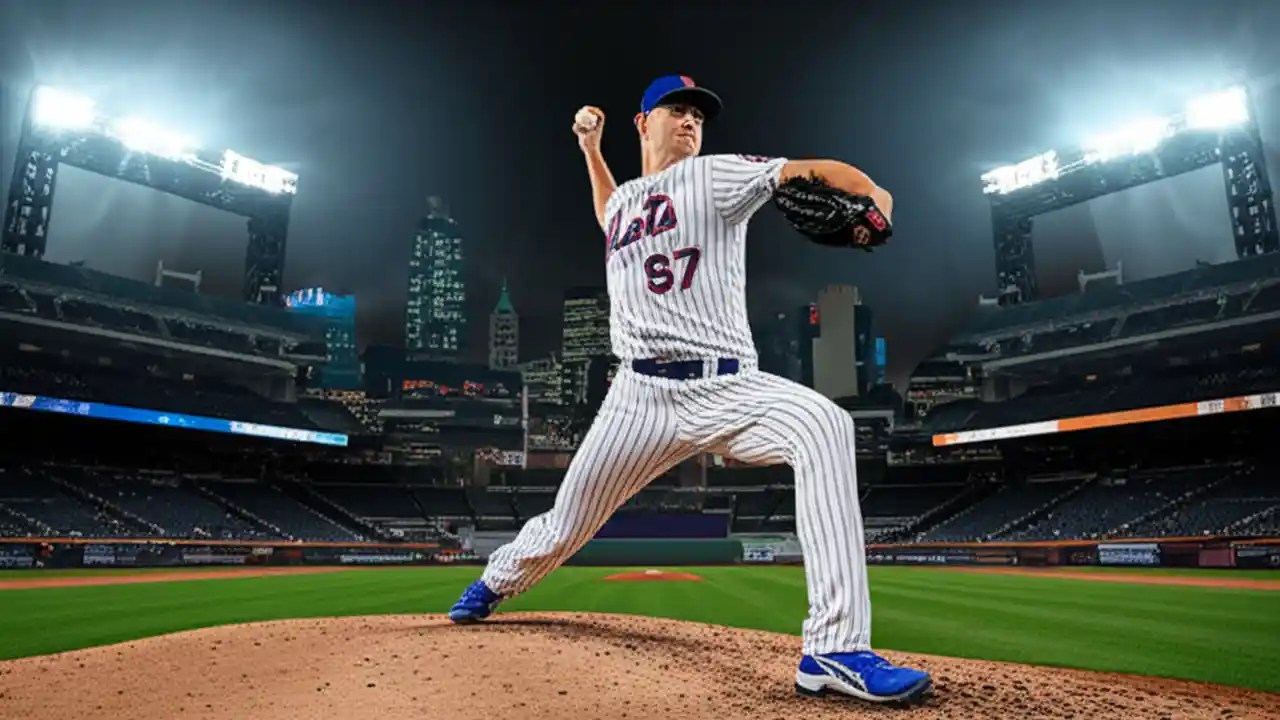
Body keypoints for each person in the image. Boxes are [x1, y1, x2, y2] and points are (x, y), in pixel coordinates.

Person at [448, 74, 931, 705]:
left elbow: (808, 170)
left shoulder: (716, 176)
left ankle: (834, 650)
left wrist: (876, 195)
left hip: (729, 386)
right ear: (643, 124)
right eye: (676, 110)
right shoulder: (624, 206)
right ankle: (495, 582)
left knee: (825, 425)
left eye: (698, 114)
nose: (690, 121)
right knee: (566, 523)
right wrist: (591, 152)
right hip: (637, 399)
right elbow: (608, 211)